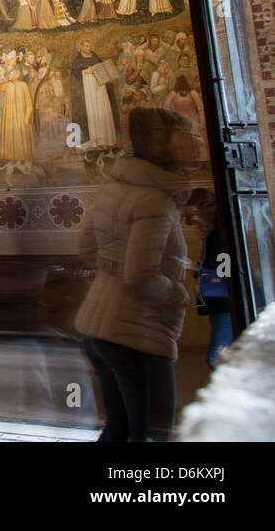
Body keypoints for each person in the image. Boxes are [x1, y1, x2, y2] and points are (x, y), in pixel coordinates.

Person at [75, 107, 198, 441]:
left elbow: (86, 246)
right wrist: (178, 294)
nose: (194, 141)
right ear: (163, 145)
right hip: (136, 331)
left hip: (99, 325)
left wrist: (108, 274)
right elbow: (141, 274)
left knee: (119, 429)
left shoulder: (115, 186)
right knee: (151, 433)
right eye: (184, 134)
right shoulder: (154, 199)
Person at [183, 189, 232, 369]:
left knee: (215, 356)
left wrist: (195, 267)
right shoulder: (213, 236)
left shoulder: (220, 236)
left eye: (195, 215)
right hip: (218, 300)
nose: (193, 221)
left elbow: (225, 270)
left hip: (225, 301)